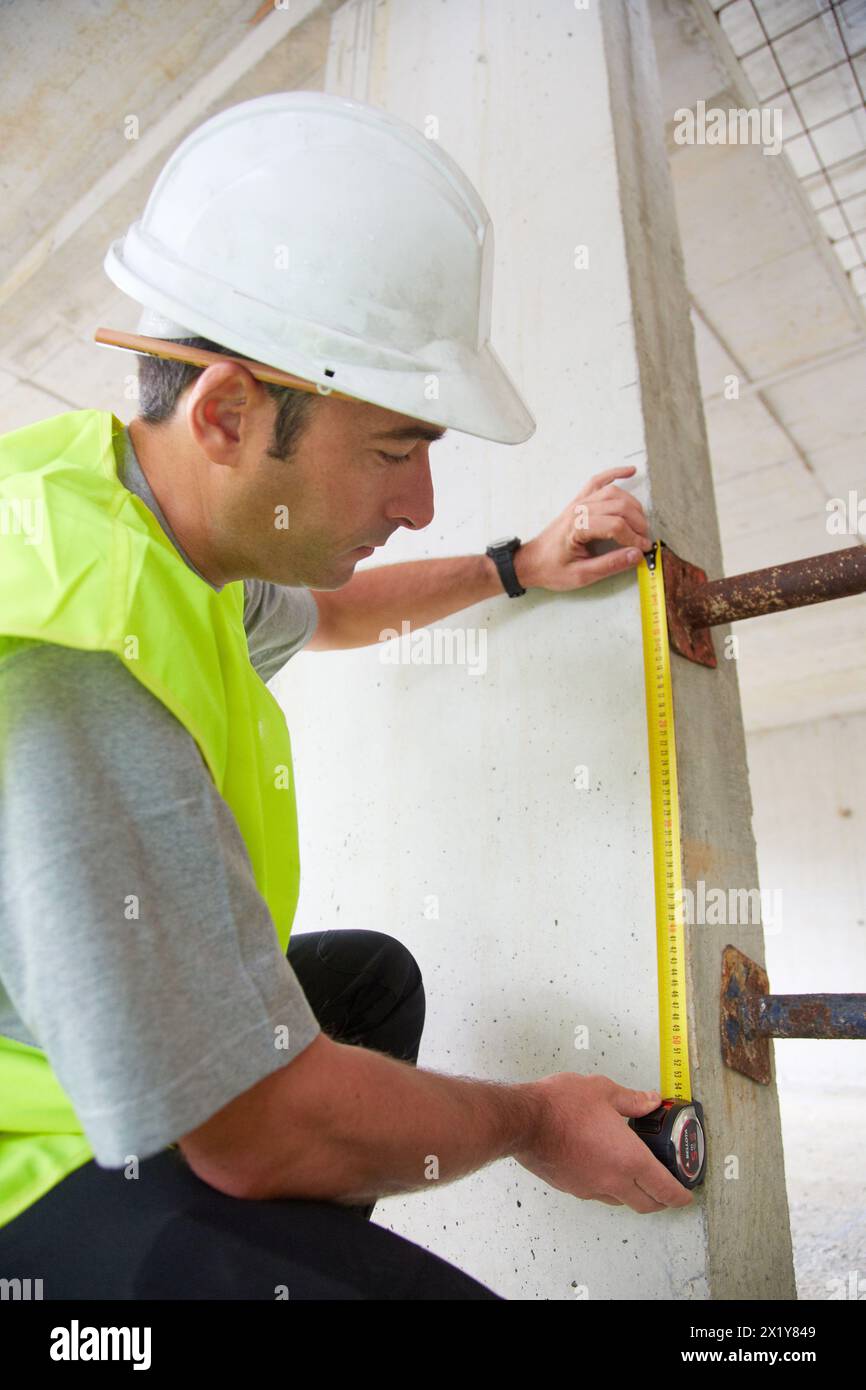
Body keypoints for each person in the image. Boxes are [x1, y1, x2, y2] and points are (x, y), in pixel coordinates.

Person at [0, 92, 688, 1302]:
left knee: (365, 981)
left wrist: (512, 565)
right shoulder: (74, 645)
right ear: (224, 411)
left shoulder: (164, 528)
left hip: (64, 1046)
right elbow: (256, 1129)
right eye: (390, 451)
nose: (417, 499)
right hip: (24, 1163)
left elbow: (338, 614)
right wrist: (531, 1116)